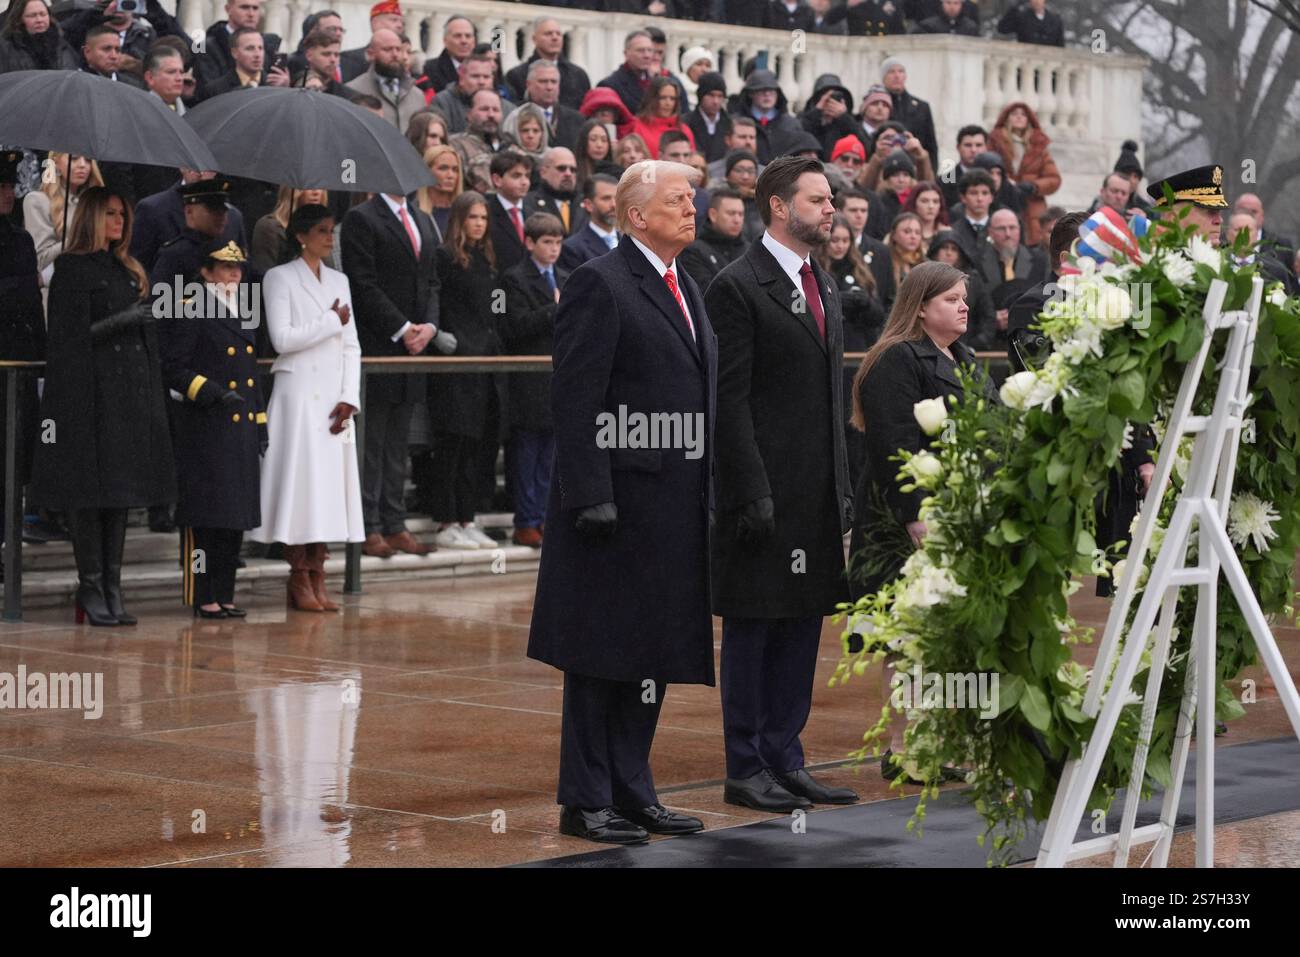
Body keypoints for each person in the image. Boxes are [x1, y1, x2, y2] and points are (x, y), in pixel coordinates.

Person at [528, 159, 714, 845]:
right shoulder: (598, 282)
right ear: (637, 216)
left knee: (650, 653)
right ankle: (585, 798)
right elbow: (576, 396)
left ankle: (633, 790)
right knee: (601, 656)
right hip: (612, 508)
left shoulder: (684, 281)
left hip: (672, 503)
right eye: (676, 200)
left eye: (691, 198)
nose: (691, 209)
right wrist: (589, 493)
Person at [704, 155, 857, 812]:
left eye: (832, 200)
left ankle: (785, 755)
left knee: (800, 627)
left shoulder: (821, 281)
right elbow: (727, 400)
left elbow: (831, 397)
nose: (833, 210)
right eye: (819, 200)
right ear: (778, 205)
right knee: (753, 629)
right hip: (761, 494)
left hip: (814, 492)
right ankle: (746, 765)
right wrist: (749, 488)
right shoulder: (737, 286)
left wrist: (843, 485)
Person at [847, 261, 997, 780]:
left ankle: (943, 742)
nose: (963, 307)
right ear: (922, 305)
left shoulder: (967, 356)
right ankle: (903, 746)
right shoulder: (896, 359)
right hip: (904, 521)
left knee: (947, 636)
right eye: (952, 299)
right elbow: (892, 445)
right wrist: (915, 517)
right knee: (906, 636)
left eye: (964, 298)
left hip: (960, 513)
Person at [30, 187, 175, 625]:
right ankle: (90, 583)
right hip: (88, 398)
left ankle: (113, 583)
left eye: (123, 214)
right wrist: (122, 320)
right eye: (110, 214)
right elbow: (68, 338)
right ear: (92, 216)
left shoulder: (128, 269)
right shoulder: (71, 268)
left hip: (128, 397)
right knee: (89, 497)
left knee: (119, 496)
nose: (119, 221)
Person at [252, 204, 363, 609]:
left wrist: (350, 396)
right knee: (302, 486)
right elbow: (282, 338)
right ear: (300, 235)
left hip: (334, 396)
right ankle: (299, 573)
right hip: (298, 392)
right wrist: (330, 321)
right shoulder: (279, 278)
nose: (329, 238)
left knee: (328, 489)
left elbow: (352, 345)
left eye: (331, 230)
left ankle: (319, 570)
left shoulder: (339, 279)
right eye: (321, 230)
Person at [157, 239, 264, 618]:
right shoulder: (190, 307)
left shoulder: (244, 307)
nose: (235, 274)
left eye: (238, 268)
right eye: (225, 268)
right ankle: (203, 592)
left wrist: (260, 421)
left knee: (233, 518)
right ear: (205, 272)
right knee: (206, 519)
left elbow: (252, 373)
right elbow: (174, 368)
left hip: (240, 427)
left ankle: (226, 592)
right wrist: (212, 394)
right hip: (206, 425)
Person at [340, 188, 440, 558]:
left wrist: (429, 326)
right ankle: (368, 525)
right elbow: (362, 284)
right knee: (372, 442)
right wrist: (402, 327)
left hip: (414, 349)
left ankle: (395, 522)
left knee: (397, 442)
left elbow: (432, 280)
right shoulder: (361, 218)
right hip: (380, 345)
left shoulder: (423, 219)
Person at [422, 192, 498, 551]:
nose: (479, 224)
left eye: (483, 217)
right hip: (453, 360)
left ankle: (467, 518)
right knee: (451, 442)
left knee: (473, 444)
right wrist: (440, 334)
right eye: (473, 218)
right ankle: (446, 520)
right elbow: (436, 298)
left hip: (480, 361)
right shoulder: (444, 257)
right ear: (459, 220)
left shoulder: (485, 258)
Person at [499, 212, 567, 548]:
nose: (553, 249)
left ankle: (543, 517)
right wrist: (554, 310)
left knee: (550, 456)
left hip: (558, 377)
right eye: (547, 242)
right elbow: (514, 327)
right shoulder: (515, 279)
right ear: (530, 243)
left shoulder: (567, 278)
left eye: (557, 242)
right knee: (527, 455)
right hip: (528, 382)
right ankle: (526, 520)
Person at [0, 150, 45, 566]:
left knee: (13, 464)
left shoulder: (20, 239)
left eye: (10, 185)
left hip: (18, 362)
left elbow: (30, 303)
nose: (9, 194)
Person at [818, 212, 885, 487]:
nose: (840, 246)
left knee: (856, 428)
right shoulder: (817, 269)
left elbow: (879, 316)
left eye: (845, 240)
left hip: (857, 357)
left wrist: (865, 304)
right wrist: (841, 301)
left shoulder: (860, 271)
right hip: (829, 355)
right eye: (835, 240)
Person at [130, 170, 246, 275]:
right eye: (193, 166)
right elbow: (137, 267)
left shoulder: (234, 217)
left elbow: (244, 269)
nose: (200, 172)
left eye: (206, 166)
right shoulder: (153, 209)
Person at [988, 102, 1060, 246]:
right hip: (1003, 199)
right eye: (1014, 114)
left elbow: (1054, 179)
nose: (1019, 118)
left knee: (1033, 247)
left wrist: (1034, 186)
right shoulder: (995, 142)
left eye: (1023, 115)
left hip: (1032, 205)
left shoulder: (1039, 147)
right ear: (1007, 118)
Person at [23, 153, 102, 273]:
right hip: (59, 285)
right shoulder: (38, 201)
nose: (82, 165)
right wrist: (77, 237)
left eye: (88, 159)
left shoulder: (96, 202)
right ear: (56, 162)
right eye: (74, 158)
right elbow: (40, 261)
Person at [505, 17, 591, 112]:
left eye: (558, 34)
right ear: (534, 39)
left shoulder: (578, 75)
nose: (555, 38)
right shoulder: (516, 75)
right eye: (548, 34)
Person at [345, 28, 424, 130]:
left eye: (398, 49)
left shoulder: (417, 95)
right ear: (371, 54)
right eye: (387, 49)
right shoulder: (353, 90)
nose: (395, 55)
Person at [194, 0, 281, 93]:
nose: (251, 14)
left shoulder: (270, 45)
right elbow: (206, 91)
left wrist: (283, 84)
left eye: (255, 8)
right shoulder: (206, 46)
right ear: (228, 9)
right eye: (244, 7)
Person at [678, 186, 748, 293]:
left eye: (741, 214)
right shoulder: (692, 252)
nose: (737, 220)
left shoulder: (749, 250)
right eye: (731, 213)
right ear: (713, 215)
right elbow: (707, 294)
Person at [249, 186, 330, 277]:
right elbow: (260, 276)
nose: (316, 192)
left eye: (319, 186)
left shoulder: (323, 231)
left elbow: (330, 273)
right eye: (308, 186)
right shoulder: (270, 227)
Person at [512, 59, 586, 152]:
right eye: (543, 81)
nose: (549, 87)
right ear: (528, 84)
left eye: (553, 82)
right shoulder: (514, 114)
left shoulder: (576, 120)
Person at [196, 26, 289, 99]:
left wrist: (284, 90)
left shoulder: (274, 85)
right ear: (234, 53)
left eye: (260, 48)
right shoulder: (215, 90)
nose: (257, 54)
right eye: (250, 48)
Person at [730, 70, 802, 164]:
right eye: (761, 90)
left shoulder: (792, 124)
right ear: (751, 93)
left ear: (777, 93)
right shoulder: (735, 122)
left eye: (772, 90)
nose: (767, 95)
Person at [1146, 164, 1228, 245]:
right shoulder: (1149, 256)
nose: (1219, 220)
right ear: (1172, 218)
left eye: (1218, 212)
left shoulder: (1229, 257)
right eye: (1210, 211)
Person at [879, 58, 938, 170]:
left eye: (900, 71)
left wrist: (931, 171)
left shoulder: (921, 107)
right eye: (891, 72)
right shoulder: (878, 106)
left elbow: (931, 146)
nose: (897, 76)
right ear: (883, 78)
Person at [559, 173, 620, 271]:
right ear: (588, 205)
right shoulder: (572, 248)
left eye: (617, 198)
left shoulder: (630, 242)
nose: (614, 205)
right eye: (606, 198)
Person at [625, 77, 695, 160]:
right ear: (652, 98)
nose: (668, 103)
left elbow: (692, 161)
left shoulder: (684, 130)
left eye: (672, 99)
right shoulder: (636, 126)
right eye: (663, 98)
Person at [0, 0, 80, 73]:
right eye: (32, 15)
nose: (39, 20)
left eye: (43, 14)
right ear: (19, 19)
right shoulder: (6, 48)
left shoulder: (62, 46)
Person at [596, 29, 656, 117]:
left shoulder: (656, 83)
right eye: (640, 50)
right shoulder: (610, 85)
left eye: (650, 50)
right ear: (626, 53)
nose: (647, 55)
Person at [527, 148, 583, 236]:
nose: (568, 174)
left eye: (573, 170)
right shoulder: (528, 203)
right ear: (543, 172)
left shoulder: (586, 204)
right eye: (561, 168)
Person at [414, 145, 461, 239]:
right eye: (443, 168)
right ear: (426, 171)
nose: (450, 175)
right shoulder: (414, 212)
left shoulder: (463, 212)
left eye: (455, 170)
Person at [418, 13, 475, 92]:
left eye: (468, 36)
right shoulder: (431, 69)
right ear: (445, 41)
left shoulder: (484, 69)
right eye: (458, 36)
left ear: (474, 42)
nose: (464, 41)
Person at [683, 71, 731, 163]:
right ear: (701, 96)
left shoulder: (730, 124)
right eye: (711, 95)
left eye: (720, 96)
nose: (716, 101)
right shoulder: (686, 123)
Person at [501, 102, 550, 169]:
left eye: (536, 131)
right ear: (515, 133)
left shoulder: (553, 156)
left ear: (543, 133)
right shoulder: (506, 159)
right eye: (525, 130)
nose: (530, 136)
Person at [903, 179, 949, 247]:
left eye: (935, 201)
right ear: (914, 203)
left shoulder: (947, 234)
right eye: (924, 201)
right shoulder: (900, 233)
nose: (931, 206)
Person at [885, 211, 926, 289]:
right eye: (907, 231)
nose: (913, 236)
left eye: (917, 233)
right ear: (893, 235)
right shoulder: (884, 261)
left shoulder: (925, 264)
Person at [574, 119, 616, 194]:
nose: (599, 145)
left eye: (604, 140)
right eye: (593, 139)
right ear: (583, 142)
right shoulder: (573, 172)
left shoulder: (615, 172)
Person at [997, 0, 1066, 46]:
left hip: (1048, 63)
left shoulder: (1055, 20)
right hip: (1026, 62)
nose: (1036, 1)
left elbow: (1060, 44)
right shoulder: (1022, 18)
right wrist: (1015, 7)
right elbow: (1002, 29)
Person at [912, 0, 979, 33]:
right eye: (948, 2)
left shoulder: (970, 27)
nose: (952, 7)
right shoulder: (928, 26)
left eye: (956, 3)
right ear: (942, 3)